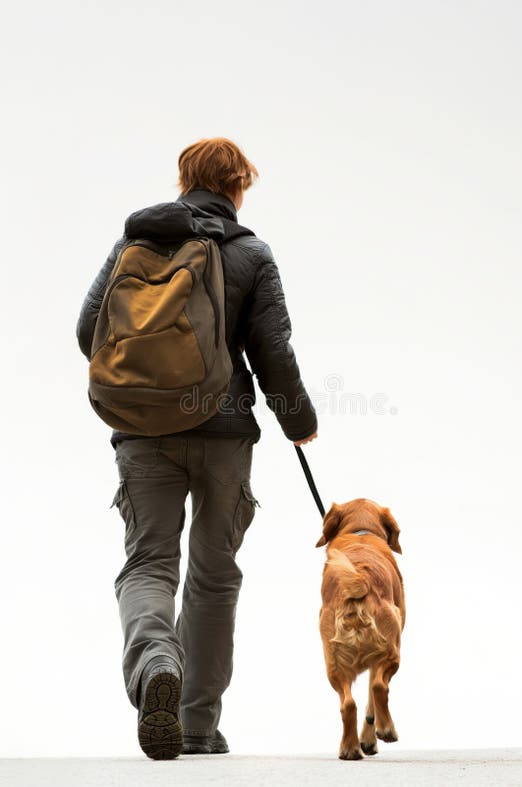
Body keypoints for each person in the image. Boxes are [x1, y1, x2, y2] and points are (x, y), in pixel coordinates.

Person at [76, 138, 318, 760]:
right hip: (224, 433)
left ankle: (157, 661)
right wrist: (298, 422)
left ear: (185, 180)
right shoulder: (251, 253)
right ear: (237, 185)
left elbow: (88, 332)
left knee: (149, 564)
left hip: (144, 436)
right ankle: (195, 724)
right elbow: (273, 354)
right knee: (214, 579)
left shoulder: (134, 245)